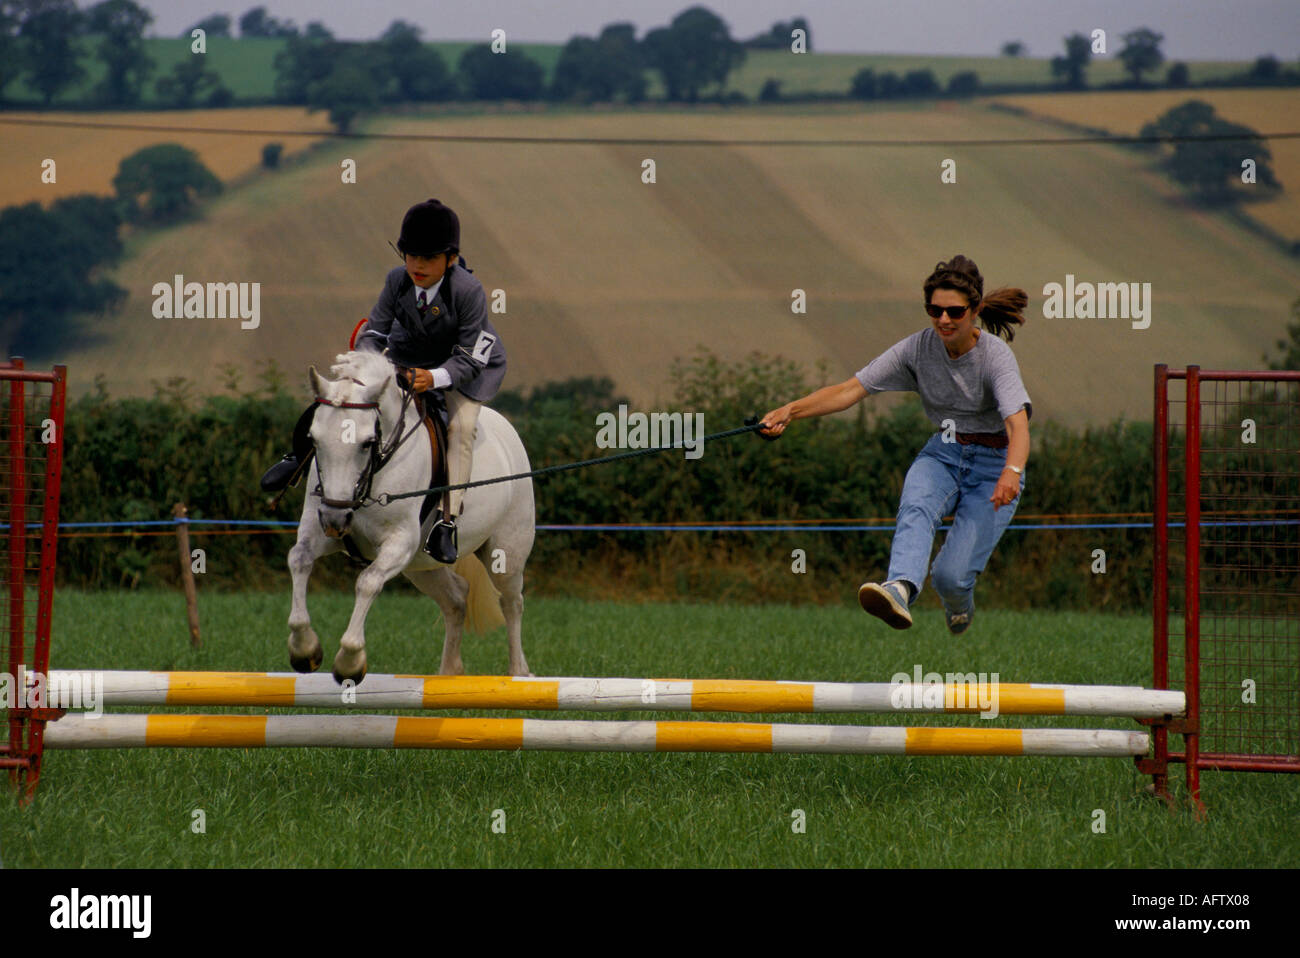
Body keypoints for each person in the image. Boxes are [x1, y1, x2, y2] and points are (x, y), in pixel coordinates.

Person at [759, 256, 1030, 633]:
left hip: (995, 464)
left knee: (951, 577)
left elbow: (1018, 424)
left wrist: (1011, 472)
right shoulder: (916, 349)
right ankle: (899, 588)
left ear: (975, 310)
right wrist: (790, 410)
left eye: (954, 311)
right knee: (916, 506)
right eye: (934, 310)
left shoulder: (995, 357)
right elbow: (851, 390)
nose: (944, 320)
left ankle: (958, 602)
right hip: (944, 453)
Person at [261, 198, 507, 563]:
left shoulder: (468, 291)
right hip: (404, 363)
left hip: (462, 369)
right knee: (335, 399)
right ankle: (296, 457)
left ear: (451, 259)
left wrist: (434, 377)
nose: (417, 266)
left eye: (428, 258)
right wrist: (368, 369)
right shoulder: (397, 280)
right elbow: (373, 332)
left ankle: (447, 520)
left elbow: (471, 357)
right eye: (411, 256)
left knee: (462, 428)